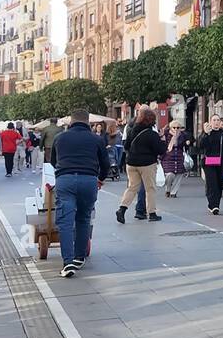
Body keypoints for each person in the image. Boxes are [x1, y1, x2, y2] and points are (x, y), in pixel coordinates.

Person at [50, 109, 108, 278]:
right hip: (89, 180)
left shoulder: (59, 138)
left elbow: (54, 161)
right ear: (88, 122)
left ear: (71, 121)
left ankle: (67, 263)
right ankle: (79, 257)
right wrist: (100, 179)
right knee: (83, 219)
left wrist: (65, 171)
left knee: (65, 222)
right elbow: (105, 164)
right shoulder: (96, 139)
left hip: (65, 180)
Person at [116, 107, 163, 223]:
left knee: (132, 187)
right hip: (147, 164)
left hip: (131, 163)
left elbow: (126, 146)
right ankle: (152, 213)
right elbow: (160, 150)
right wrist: (162, 140)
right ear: (151, 120)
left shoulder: (132, 130)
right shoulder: (152, 134)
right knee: (150, 188)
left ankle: (122, 209)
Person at [198, 115, 223, 214]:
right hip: (209, 162)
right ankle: (214, 206)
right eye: (214, 120)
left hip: (222, 162)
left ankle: (215, 204)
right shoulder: (207, 133)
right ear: (210, 122)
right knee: (212, 183)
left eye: (218, 120)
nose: (216, 122)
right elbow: (200, 145)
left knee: (219, 184)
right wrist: (206, 134)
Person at [159, 121, 189, 198]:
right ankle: (168, 189)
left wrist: (187, 143)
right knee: (169, 175)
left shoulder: (183, 135)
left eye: (178, 128)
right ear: (170, 127)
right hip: (167, 158)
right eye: (174, 127)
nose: (176, 129)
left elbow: (188, 143)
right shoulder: (165, 135)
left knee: (179, 175)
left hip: (179, 157)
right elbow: (162, 145)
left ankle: (173, 192)